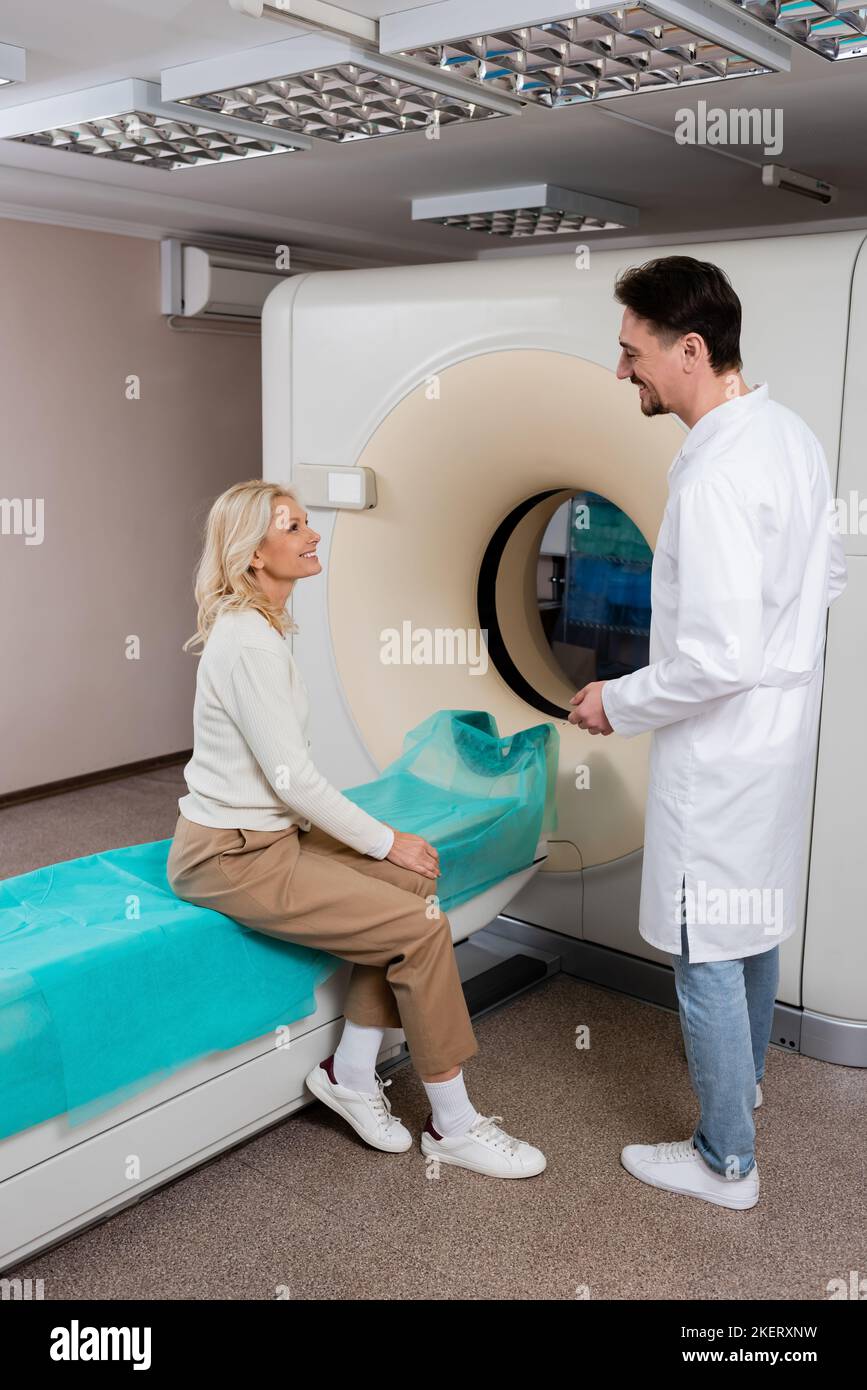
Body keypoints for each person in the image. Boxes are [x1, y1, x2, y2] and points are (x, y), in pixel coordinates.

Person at [569, 256, 847, 1210]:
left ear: (689, 350)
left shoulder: (718, 477)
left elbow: (716, 658)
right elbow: (827, 575)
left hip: (725, 750)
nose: (621, 374)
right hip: (771, 745)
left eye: (630, 353)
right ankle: (749, 1087)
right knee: (751, 918)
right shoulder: (789, 437)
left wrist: (618, 701)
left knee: (704, 950)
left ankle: (725, 1158)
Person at [166, 480, 545, 1179]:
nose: (311, 535)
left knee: (408, 885)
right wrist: (383, 836)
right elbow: (292, 780)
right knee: (417, 925)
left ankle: (349, 1071)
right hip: (230, 856)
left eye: (307, 522)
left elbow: (287, 781)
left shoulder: (267, 627)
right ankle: (453, 1125)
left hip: (269, 835)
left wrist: (388, 851)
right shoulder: (247, 643)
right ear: (253, 554)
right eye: (291, 526)